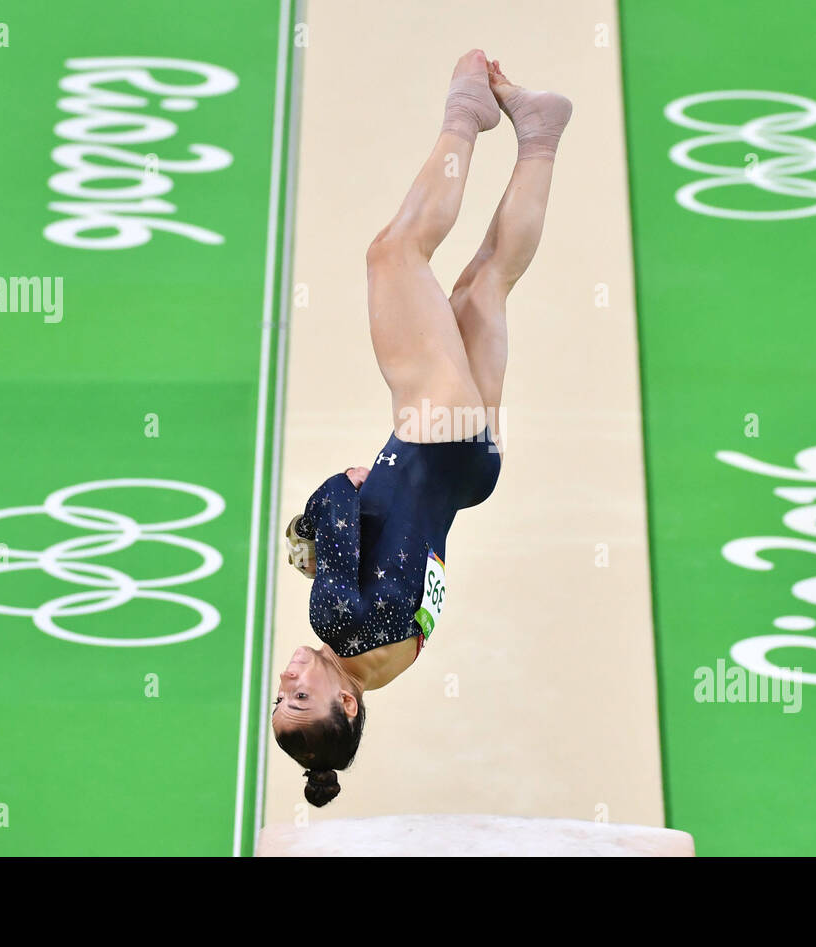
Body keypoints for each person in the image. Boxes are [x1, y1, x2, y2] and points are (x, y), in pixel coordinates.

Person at [274, 49, 571, 807]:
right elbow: (341, 497)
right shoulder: (336, 621)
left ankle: (538, 133)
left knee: (487, 278)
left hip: (467, 470)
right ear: (346, 704)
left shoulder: (386, 664)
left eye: (280, 694)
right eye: (300, 696)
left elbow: (396, 563)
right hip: (430, 435)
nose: (289, 676)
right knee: (392, 253)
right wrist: (312, 525)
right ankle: (466, 111)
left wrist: (343, 530)